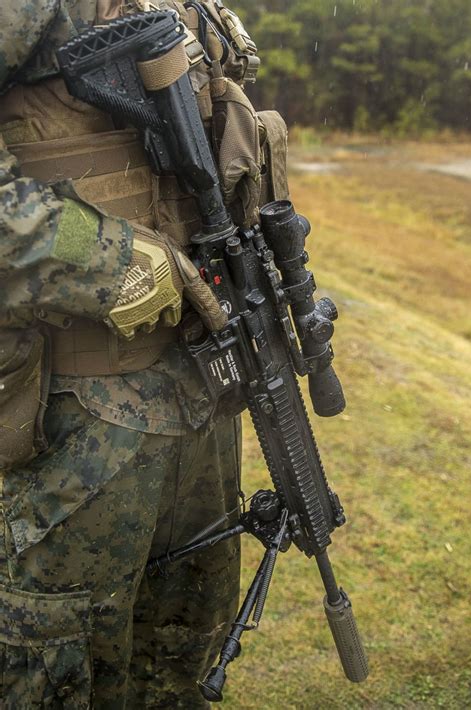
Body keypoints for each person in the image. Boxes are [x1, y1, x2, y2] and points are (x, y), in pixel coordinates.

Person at [0, 0, 286, 706]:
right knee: (59, 665)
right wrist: (102, 257)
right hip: (74, 427)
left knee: (183, 655)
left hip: (200, 398)